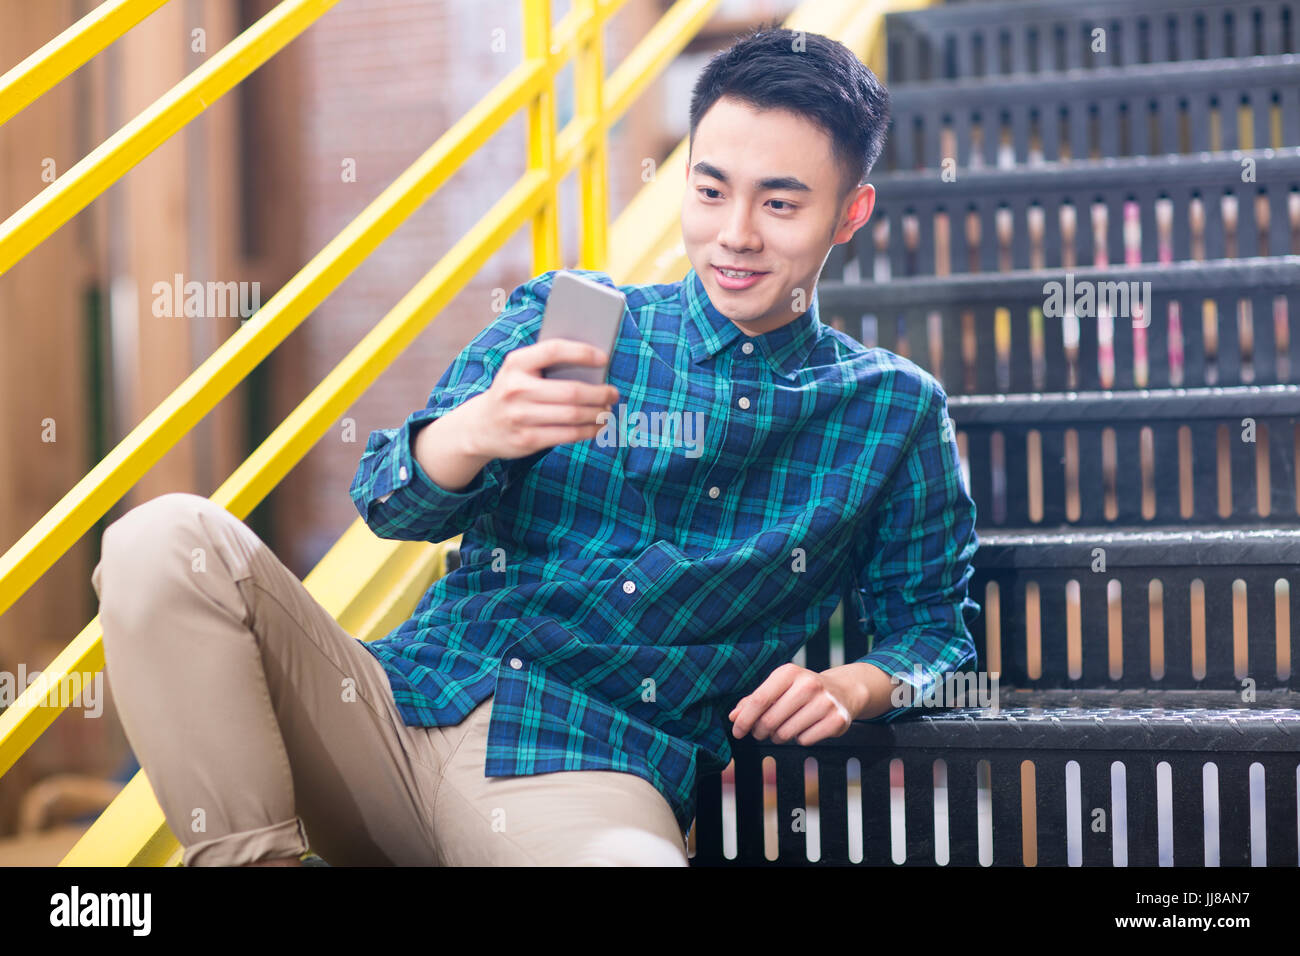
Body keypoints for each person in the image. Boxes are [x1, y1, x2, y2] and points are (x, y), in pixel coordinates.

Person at [92, 24, 980, 867]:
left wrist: (853, 685)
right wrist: (476, 432)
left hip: (588, 772)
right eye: (710, 191)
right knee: (160, 539)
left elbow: (936, 633)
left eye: (780, 203)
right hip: (391, 712)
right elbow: (389, 504)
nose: (735, 233)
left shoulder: (890, 412)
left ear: (850, 213)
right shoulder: (577, 316)